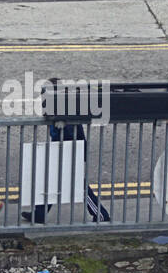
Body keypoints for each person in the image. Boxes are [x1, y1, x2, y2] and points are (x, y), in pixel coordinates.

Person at [23, 78, 111, 225]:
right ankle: (39, 214)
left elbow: (72, 134)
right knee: (51, 182)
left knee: (77, 185)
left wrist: (63, 126)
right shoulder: (60, 109)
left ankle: (101, 213)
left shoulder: (66, 112)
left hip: (70, 152)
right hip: (62, 151)